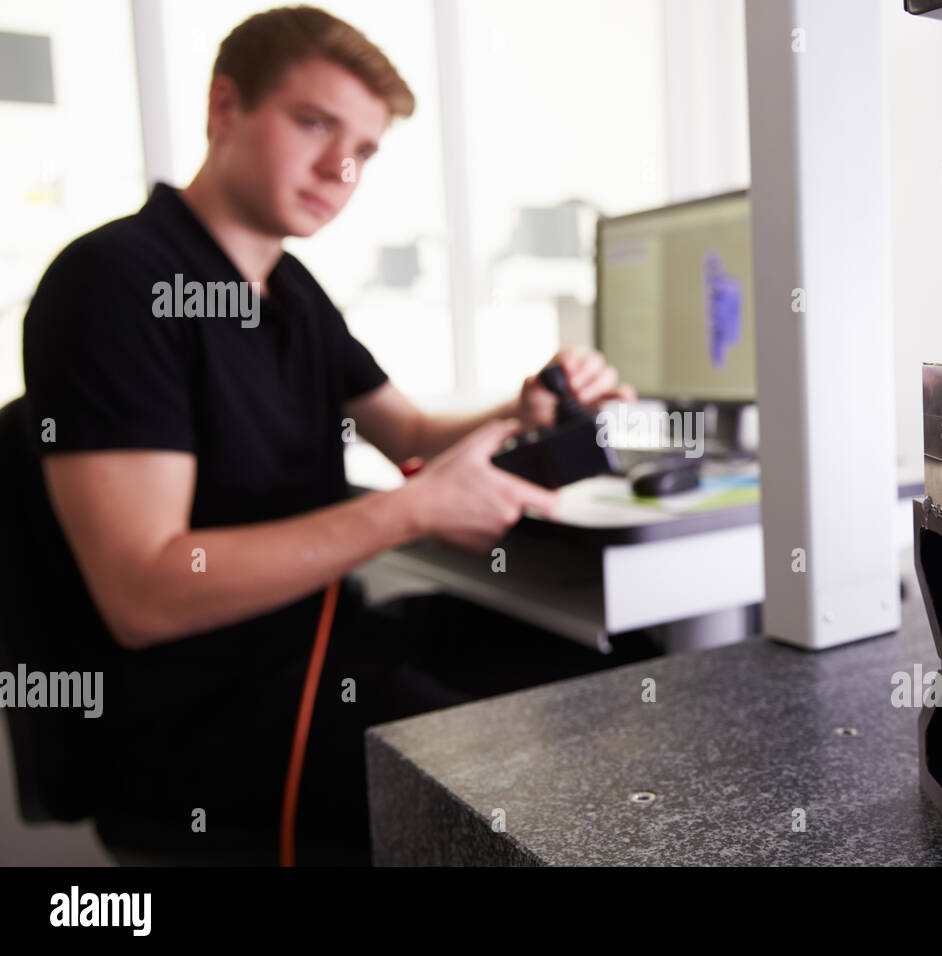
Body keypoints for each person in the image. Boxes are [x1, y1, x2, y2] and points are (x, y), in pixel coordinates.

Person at [20, 5, 646, 865]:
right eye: (314, 122)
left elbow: (412, 432)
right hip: (216, 723)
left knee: (632, 677)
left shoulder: (290, 291)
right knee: (548, 763)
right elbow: (144, 593)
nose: (340, 165)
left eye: (365, 147)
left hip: (322, 647)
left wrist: (523, 408)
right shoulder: (115, 285)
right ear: (224, 109)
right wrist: (414, 510)